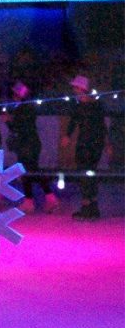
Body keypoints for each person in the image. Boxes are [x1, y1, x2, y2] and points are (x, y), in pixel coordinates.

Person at [5, 82, 55, 213]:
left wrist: (8, 122)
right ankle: (44, 198)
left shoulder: (22, 109)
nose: (13, 97)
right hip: (30, 143)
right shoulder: (27, 108)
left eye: (15, 94)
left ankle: (33, 200)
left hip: (27, 144)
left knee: (28, 172)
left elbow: (19, 128)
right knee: (31, 171)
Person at [64, 75, 107, 221]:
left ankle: (88, 207)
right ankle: (91, 207)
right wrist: (67, 136)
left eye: (76, 88)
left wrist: (107, 144)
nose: (74, 90)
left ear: (82, 88)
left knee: (87, 173)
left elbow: (102, 126)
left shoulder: (94, 106)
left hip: (92, 144)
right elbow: (73, 122)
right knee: (86, 173)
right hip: (85, 143)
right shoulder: (79, 106)